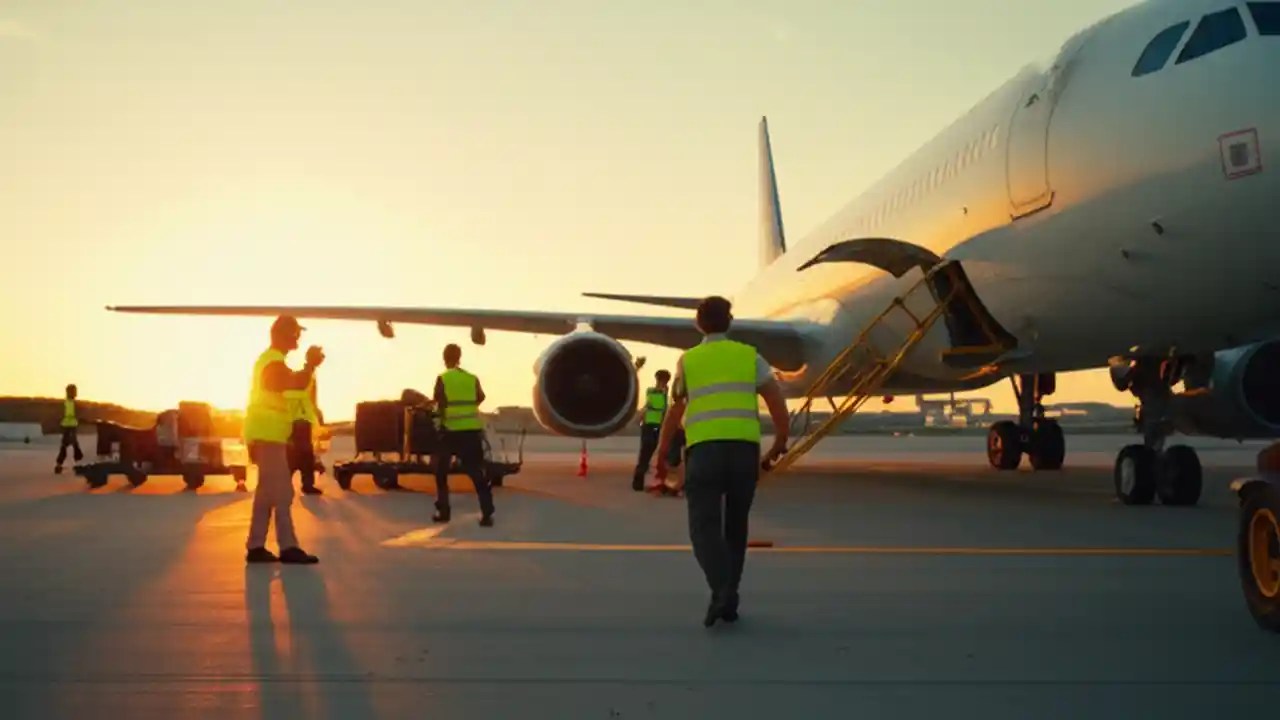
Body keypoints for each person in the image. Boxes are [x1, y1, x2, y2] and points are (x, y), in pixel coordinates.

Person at [655, 296, 790, 627]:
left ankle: (722, 590)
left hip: (705, 452)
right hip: (744, 452)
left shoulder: (689, 361)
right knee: (736, 526)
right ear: (730, 322)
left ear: (698, 324)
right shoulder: (750, 357)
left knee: (703, 527)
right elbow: (776, 400)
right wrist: (780, 443)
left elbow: (676, 409)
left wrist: (661, 452)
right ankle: (728, 597)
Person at [244, 315, 322, 565]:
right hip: (268, 436)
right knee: (283, 492)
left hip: (267, 434)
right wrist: (310, 366)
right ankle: (288, 547)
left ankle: (256, 546)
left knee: (266, 492)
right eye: (295, 333)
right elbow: (292, 383)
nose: (297, 338)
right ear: (283, 335)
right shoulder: (273, 362)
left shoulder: (269, 360)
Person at [432, 344, 496, 527]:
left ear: (445, 358)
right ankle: (487, 512)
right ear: (459, 357)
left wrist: (442, 420)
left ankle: (443, 511)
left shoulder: (443, 378)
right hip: (472, 431)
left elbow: (440, 403)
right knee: (477, 473)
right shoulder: (471, 378)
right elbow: (480, 397)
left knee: (440, 472)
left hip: (450, 432)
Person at [285, 371, 324, 495]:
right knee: (304, 456)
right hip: (299, 423)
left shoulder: (287, 392)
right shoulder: (301, 393)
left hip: (293, 424)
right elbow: (311, 403)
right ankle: (306, 484)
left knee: (293, 456)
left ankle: (286, 484)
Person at [633, 369, 671, 492]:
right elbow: (654, 405)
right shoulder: (654, 392)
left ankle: (651, 480)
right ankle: (638, 481)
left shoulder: (664, 393)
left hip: (656, 425)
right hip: (651, 425)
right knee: (646, 452)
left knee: (652, 453)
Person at [54, 384, 83, 474]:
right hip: (69, 426)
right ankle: (78, 464)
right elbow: (71, 414)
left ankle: (59, 465)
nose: (76, 393)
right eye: (74, 391)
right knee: (73, 445)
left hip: (68, 426)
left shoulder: (68, 402)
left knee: (67, 446)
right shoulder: (70, 403)